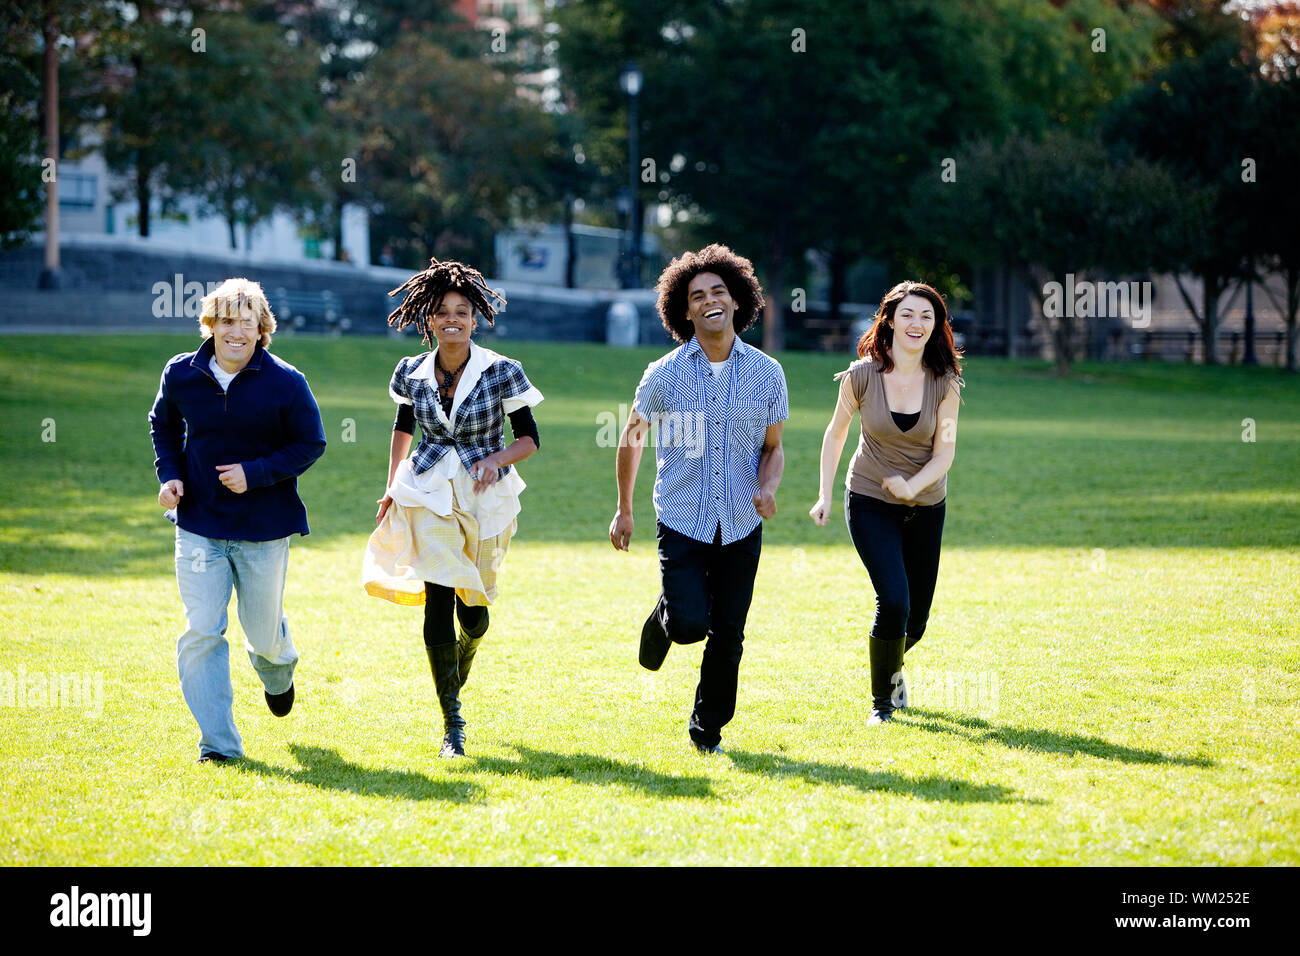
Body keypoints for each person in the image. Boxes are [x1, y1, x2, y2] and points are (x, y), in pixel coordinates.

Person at [610, 244, 788, 755]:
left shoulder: (767, 374)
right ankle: (667, 616)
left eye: (718, 292)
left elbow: (773, 449)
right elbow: (632, 437)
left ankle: (707, 729)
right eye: (697, 295)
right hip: (682, 516)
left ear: (736, 301)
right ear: (683, 310)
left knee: (728, 633)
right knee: (691, 625)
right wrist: (625, 509)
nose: (710, 300)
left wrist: (768, 488)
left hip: (741, 521)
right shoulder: (663, 374)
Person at [362, 258, 542, 758]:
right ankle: (452, 724)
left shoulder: (502, 371)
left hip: (487, 496)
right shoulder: (411, 371)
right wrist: (392, 485)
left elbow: (529, 439)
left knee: (476, 611)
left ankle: (468, 647)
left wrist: (496, 460)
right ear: (429, 319)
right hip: (427, 490)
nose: (452, 319)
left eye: (462, 311)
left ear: (475, 318)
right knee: (439, 592)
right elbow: (402, 428)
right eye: (442, 312)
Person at [149, 278, 327, 762]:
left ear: (261, 328)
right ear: (211, 324)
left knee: (263, 632)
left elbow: (311, 442)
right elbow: (163, 425)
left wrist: (257, 474)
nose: (236, 332)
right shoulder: (181, 373)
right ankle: (219, 745)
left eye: (246, 323)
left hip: (263, 529)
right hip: (199, 525)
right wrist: (170, 476)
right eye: (227, 321)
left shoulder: (286, 381)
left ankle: (278, 665)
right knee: (202, 631)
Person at [809, 281, 963, 725]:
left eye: (927, 317)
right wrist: (823, 493)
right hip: (870, 498)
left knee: (915, 621)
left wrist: (914, 487)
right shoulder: (862, 375)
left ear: (936, 327)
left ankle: (890, 665)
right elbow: (836, 433)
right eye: (909, 315)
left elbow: (945, 453)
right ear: (890, 319)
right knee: (893, 600)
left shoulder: (945, 384)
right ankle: (883, 704)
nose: (917, 324)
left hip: (926, 504)